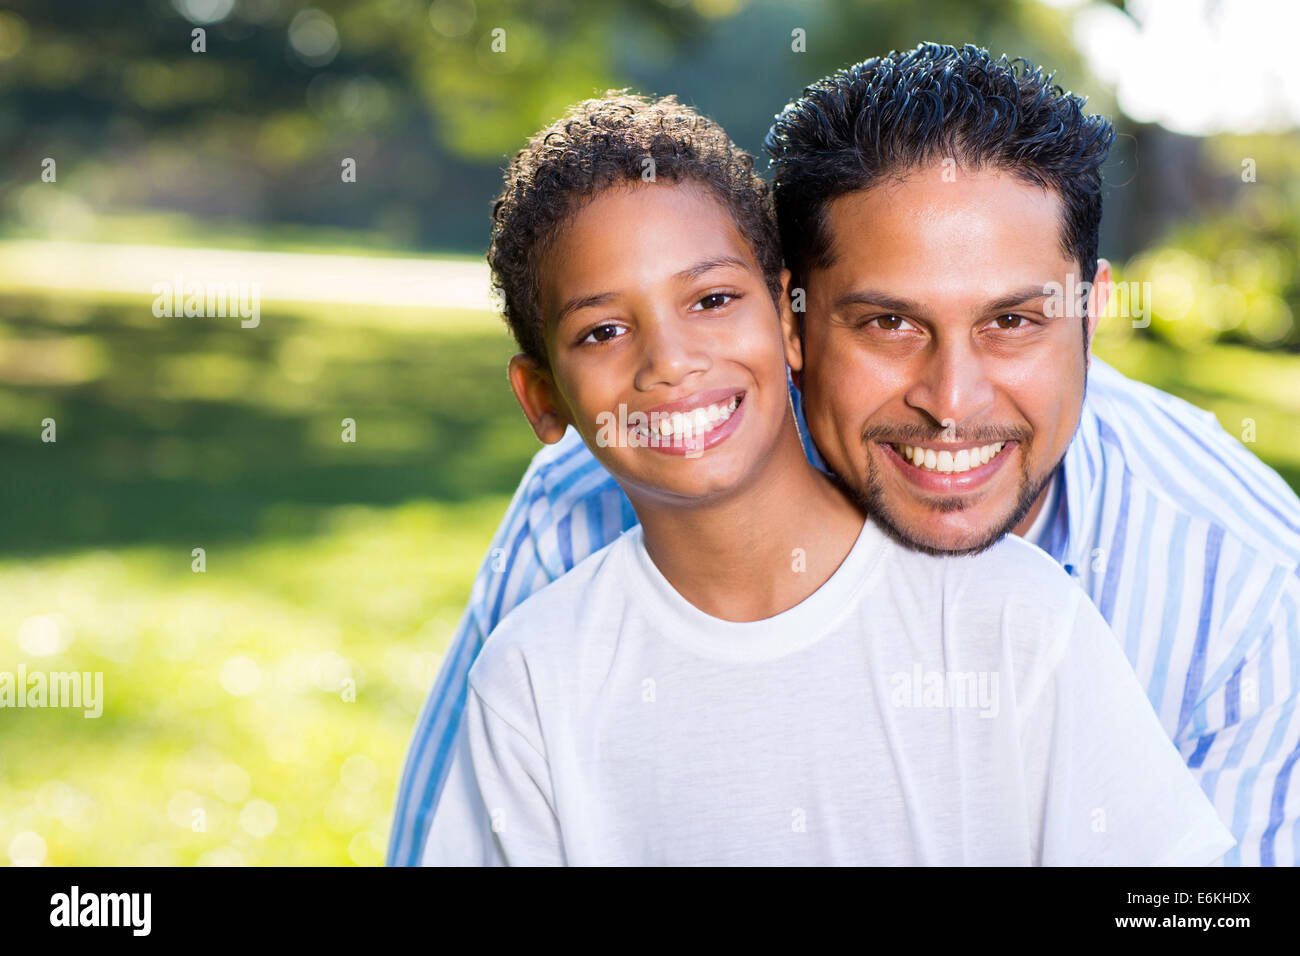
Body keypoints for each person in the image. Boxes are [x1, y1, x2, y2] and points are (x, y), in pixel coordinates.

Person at [391, 44, 1300, 867]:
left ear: (1093, 315)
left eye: (1013, 322)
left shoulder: (1253, 582)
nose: (952, 404)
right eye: (888, 323)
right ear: (796, 318)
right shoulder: (587, 505)